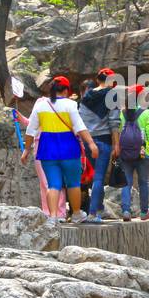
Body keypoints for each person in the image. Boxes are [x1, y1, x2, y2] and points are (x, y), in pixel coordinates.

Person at [22, 75, 98, 222]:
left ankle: (53, 217)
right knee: (73, 183)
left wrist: (26, 150)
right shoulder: (70, 105)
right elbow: (79, 127)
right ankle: (76, 214)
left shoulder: (40, 105)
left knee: (53, 184)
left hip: (47, 150)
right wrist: (91, 144)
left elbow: (30, 131)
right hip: (69, 148)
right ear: (65, 90)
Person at [79, 68, 120, 224]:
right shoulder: (112, 95)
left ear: (98, 80)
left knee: (91, 176)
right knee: (99, 178)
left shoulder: (87, 96)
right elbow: (114, 122)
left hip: (87, 141)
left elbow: (80, 120)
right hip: (103, 141)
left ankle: (98, 208)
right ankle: (93, 213)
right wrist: (117, 144)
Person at [117, 84, 149, 220]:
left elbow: (118, 131)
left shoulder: (122, 112)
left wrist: (117, 148)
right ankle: (144, 212)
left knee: (127, 182)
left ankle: (126, 211)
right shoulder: (146, 112)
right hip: (142, 151)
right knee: (143, 182)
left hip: (125, 152)